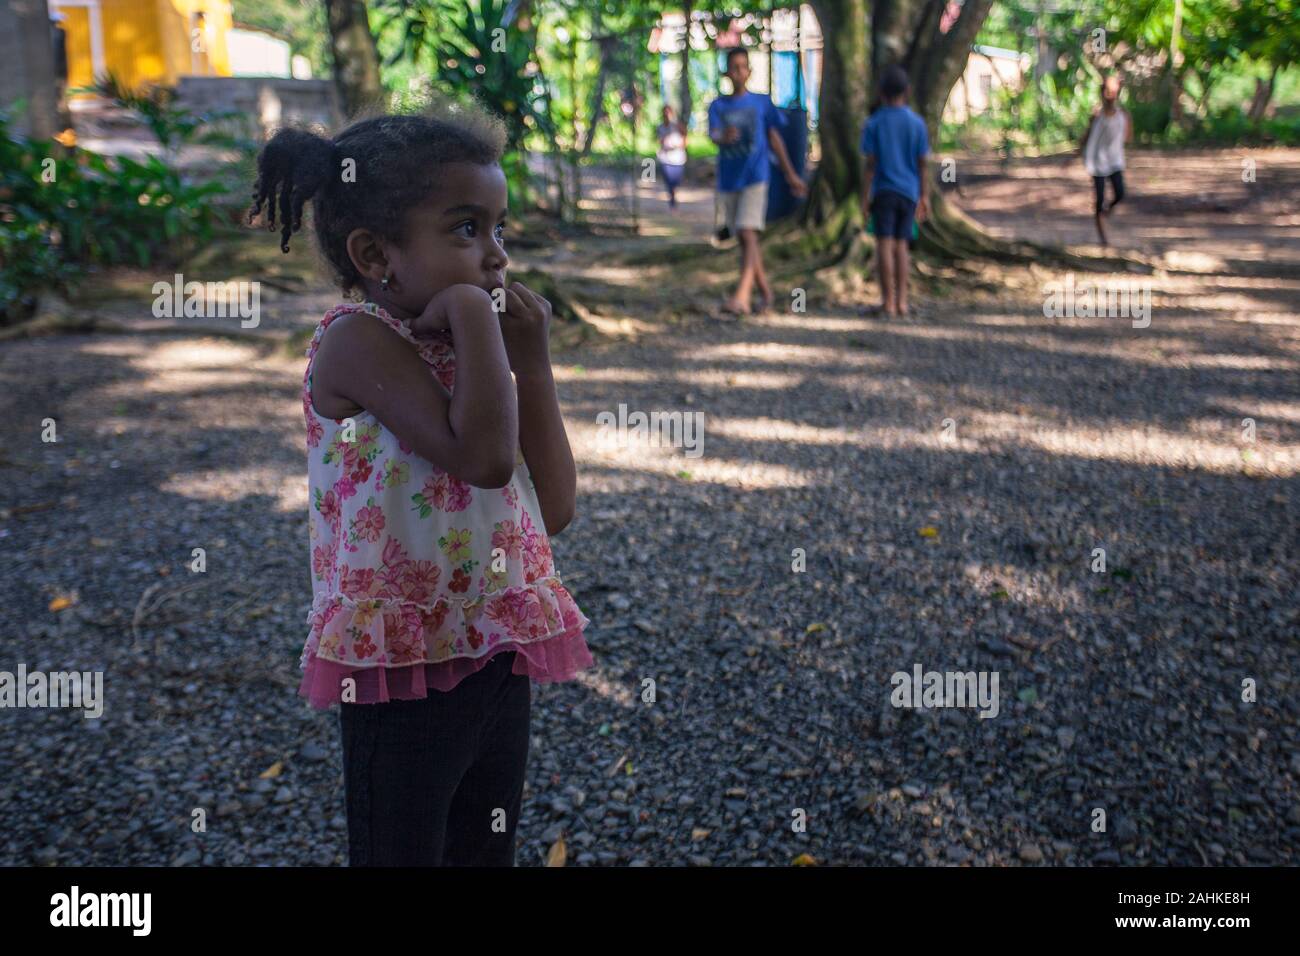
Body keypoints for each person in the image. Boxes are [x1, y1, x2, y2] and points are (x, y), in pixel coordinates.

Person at [249, 108, 594, 867]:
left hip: (497, 645)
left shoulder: (472, 352)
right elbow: (483, 459)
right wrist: (473, 312)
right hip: (399, 667)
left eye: (500, 229)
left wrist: (532, 365)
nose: (497, 256)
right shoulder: (355, 339)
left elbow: (555, 507)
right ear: (376, 254)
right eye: (467, 229)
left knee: (484, 849)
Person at [708, 47, 808, 317]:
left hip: (756, 177)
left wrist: (791, 175)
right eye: (734, 67)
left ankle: (741, 297)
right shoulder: (718, 106)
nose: (739, 72)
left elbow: (775, 140)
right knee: (744, 239)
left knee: (748, 233)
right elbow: (713, 134)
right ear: (727, 72)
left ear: (749, 71)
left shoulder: (762, 103)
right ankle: (766, 293)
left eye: (743, 66)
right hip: (729, 181)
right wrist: (722, 137)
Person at [859, 64, 929, 319]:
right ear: (907, 91)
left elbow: (870, 165)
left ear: (880, 93)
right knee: (902, 246)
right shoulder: (917, 123)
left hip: (884, 192)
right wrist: (925, 196)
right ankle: (903, 303)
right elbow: (923, 164)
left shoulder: (874, 123)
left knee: (884, 245)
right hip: (909, 193)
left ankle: (887, 302)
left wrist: (864, 198)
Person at [1081, 74, 1131, 246]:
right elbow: (1086, 137)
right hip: (1098, 163)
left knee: (1120, 193)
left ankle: (1105, 213)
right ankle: (1103, 239)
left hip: (1115, 161)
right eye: (1107, 91)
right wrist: (1078, 153)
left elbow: (1127, 137)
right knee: (1099, 200)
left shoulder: (1123, 115)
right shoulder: (1097, 116)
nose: (1110, 95)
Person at [656, 105, 688, 209]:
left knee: (676, 181)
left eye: (668, 113)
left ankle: (673, 195)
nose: (666, 115)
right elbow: (658, 140)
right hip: (665, 159)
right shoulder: (660, 127)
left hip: (678, 159)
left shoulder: (678, 126)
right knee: (669, 180)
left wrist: (679, 145)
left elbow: (685, 138)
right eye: (664, 113)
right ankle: (672, 200)